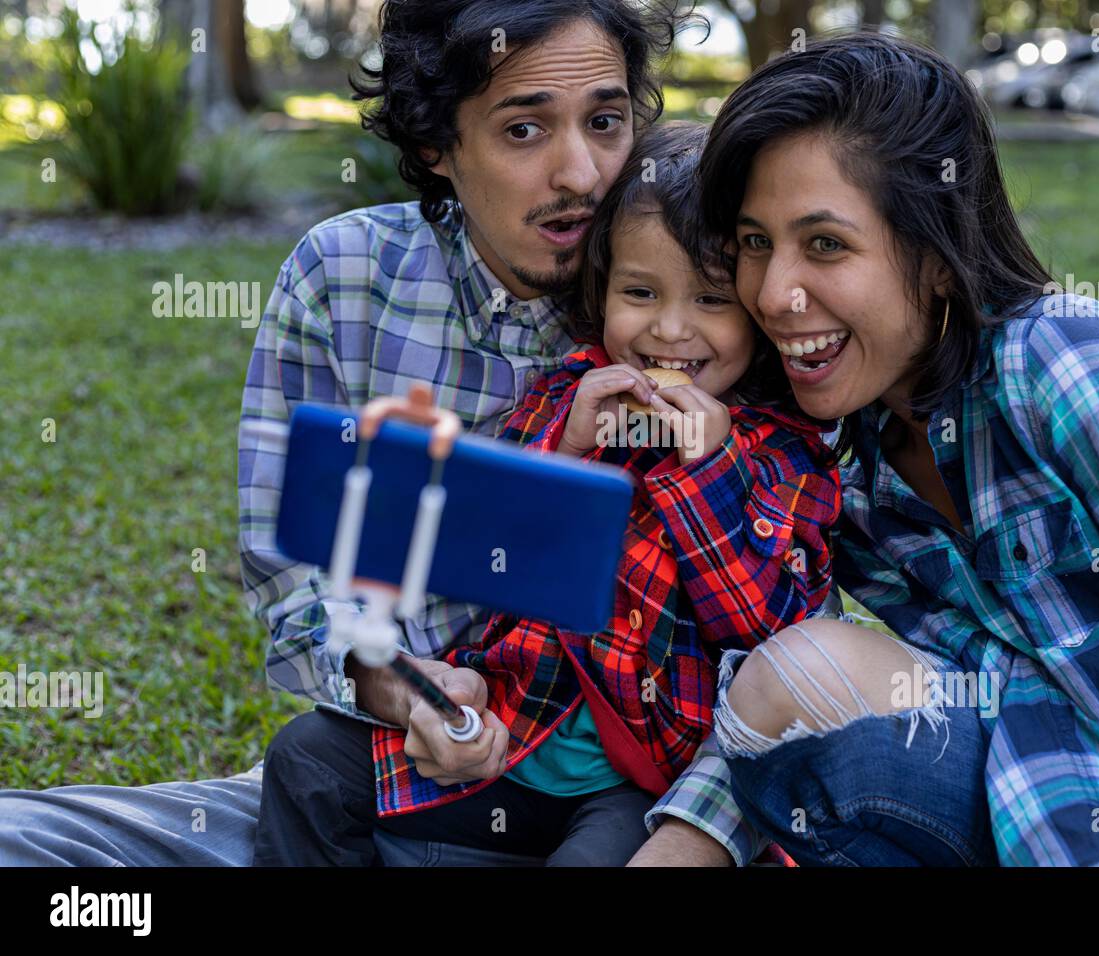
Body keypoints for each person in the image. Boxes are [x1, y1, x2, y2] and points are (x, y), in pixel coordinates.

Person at [0, 0, 742, 867]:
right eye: (524, 129)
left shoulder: (702, 319)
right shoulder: (345, 280)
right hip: (399, 778)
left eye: (606, 122)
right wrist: (406, 690)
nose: (582, 172)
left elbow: (779, 653)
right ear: (437, 144)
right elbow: (293, 580)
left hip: (635, 814)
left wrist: (692, 834)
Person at [631, 31, 1099, 867]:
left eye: (827, 244)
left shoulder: (1065, 360)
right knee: (798, 677)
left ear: (939, 257)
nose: (772, 293)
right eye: (756, 242)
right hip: (1050, 794)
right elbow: (780, 689)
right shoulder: (847, 461)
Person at [253, 122, 841, 865]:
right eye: (639, 292)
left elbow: (760, 629)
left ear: (755, 312)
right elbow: (493, 560)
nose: (669, 329)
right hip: (511, 737)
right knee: (307, 759)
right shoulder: (570, 395)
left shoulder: (783, 452)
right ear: (602, 291)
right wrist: (565, 452)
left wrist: (704, 471)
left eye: (710, 300)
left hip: (646, 783)